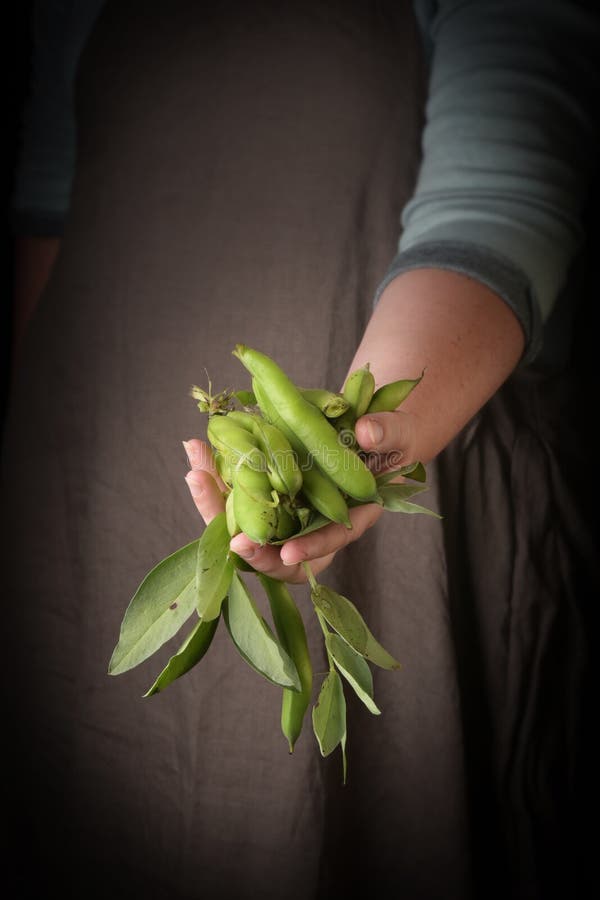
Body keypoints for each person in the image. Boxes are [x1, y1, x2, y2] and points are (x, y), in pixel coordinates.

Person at [3, 1, 599, 898]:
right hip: (91, 490)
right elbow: (48, 214)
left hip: (404, 462)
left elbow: (505, 197)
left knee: (364, 823)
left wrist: (364, 452)